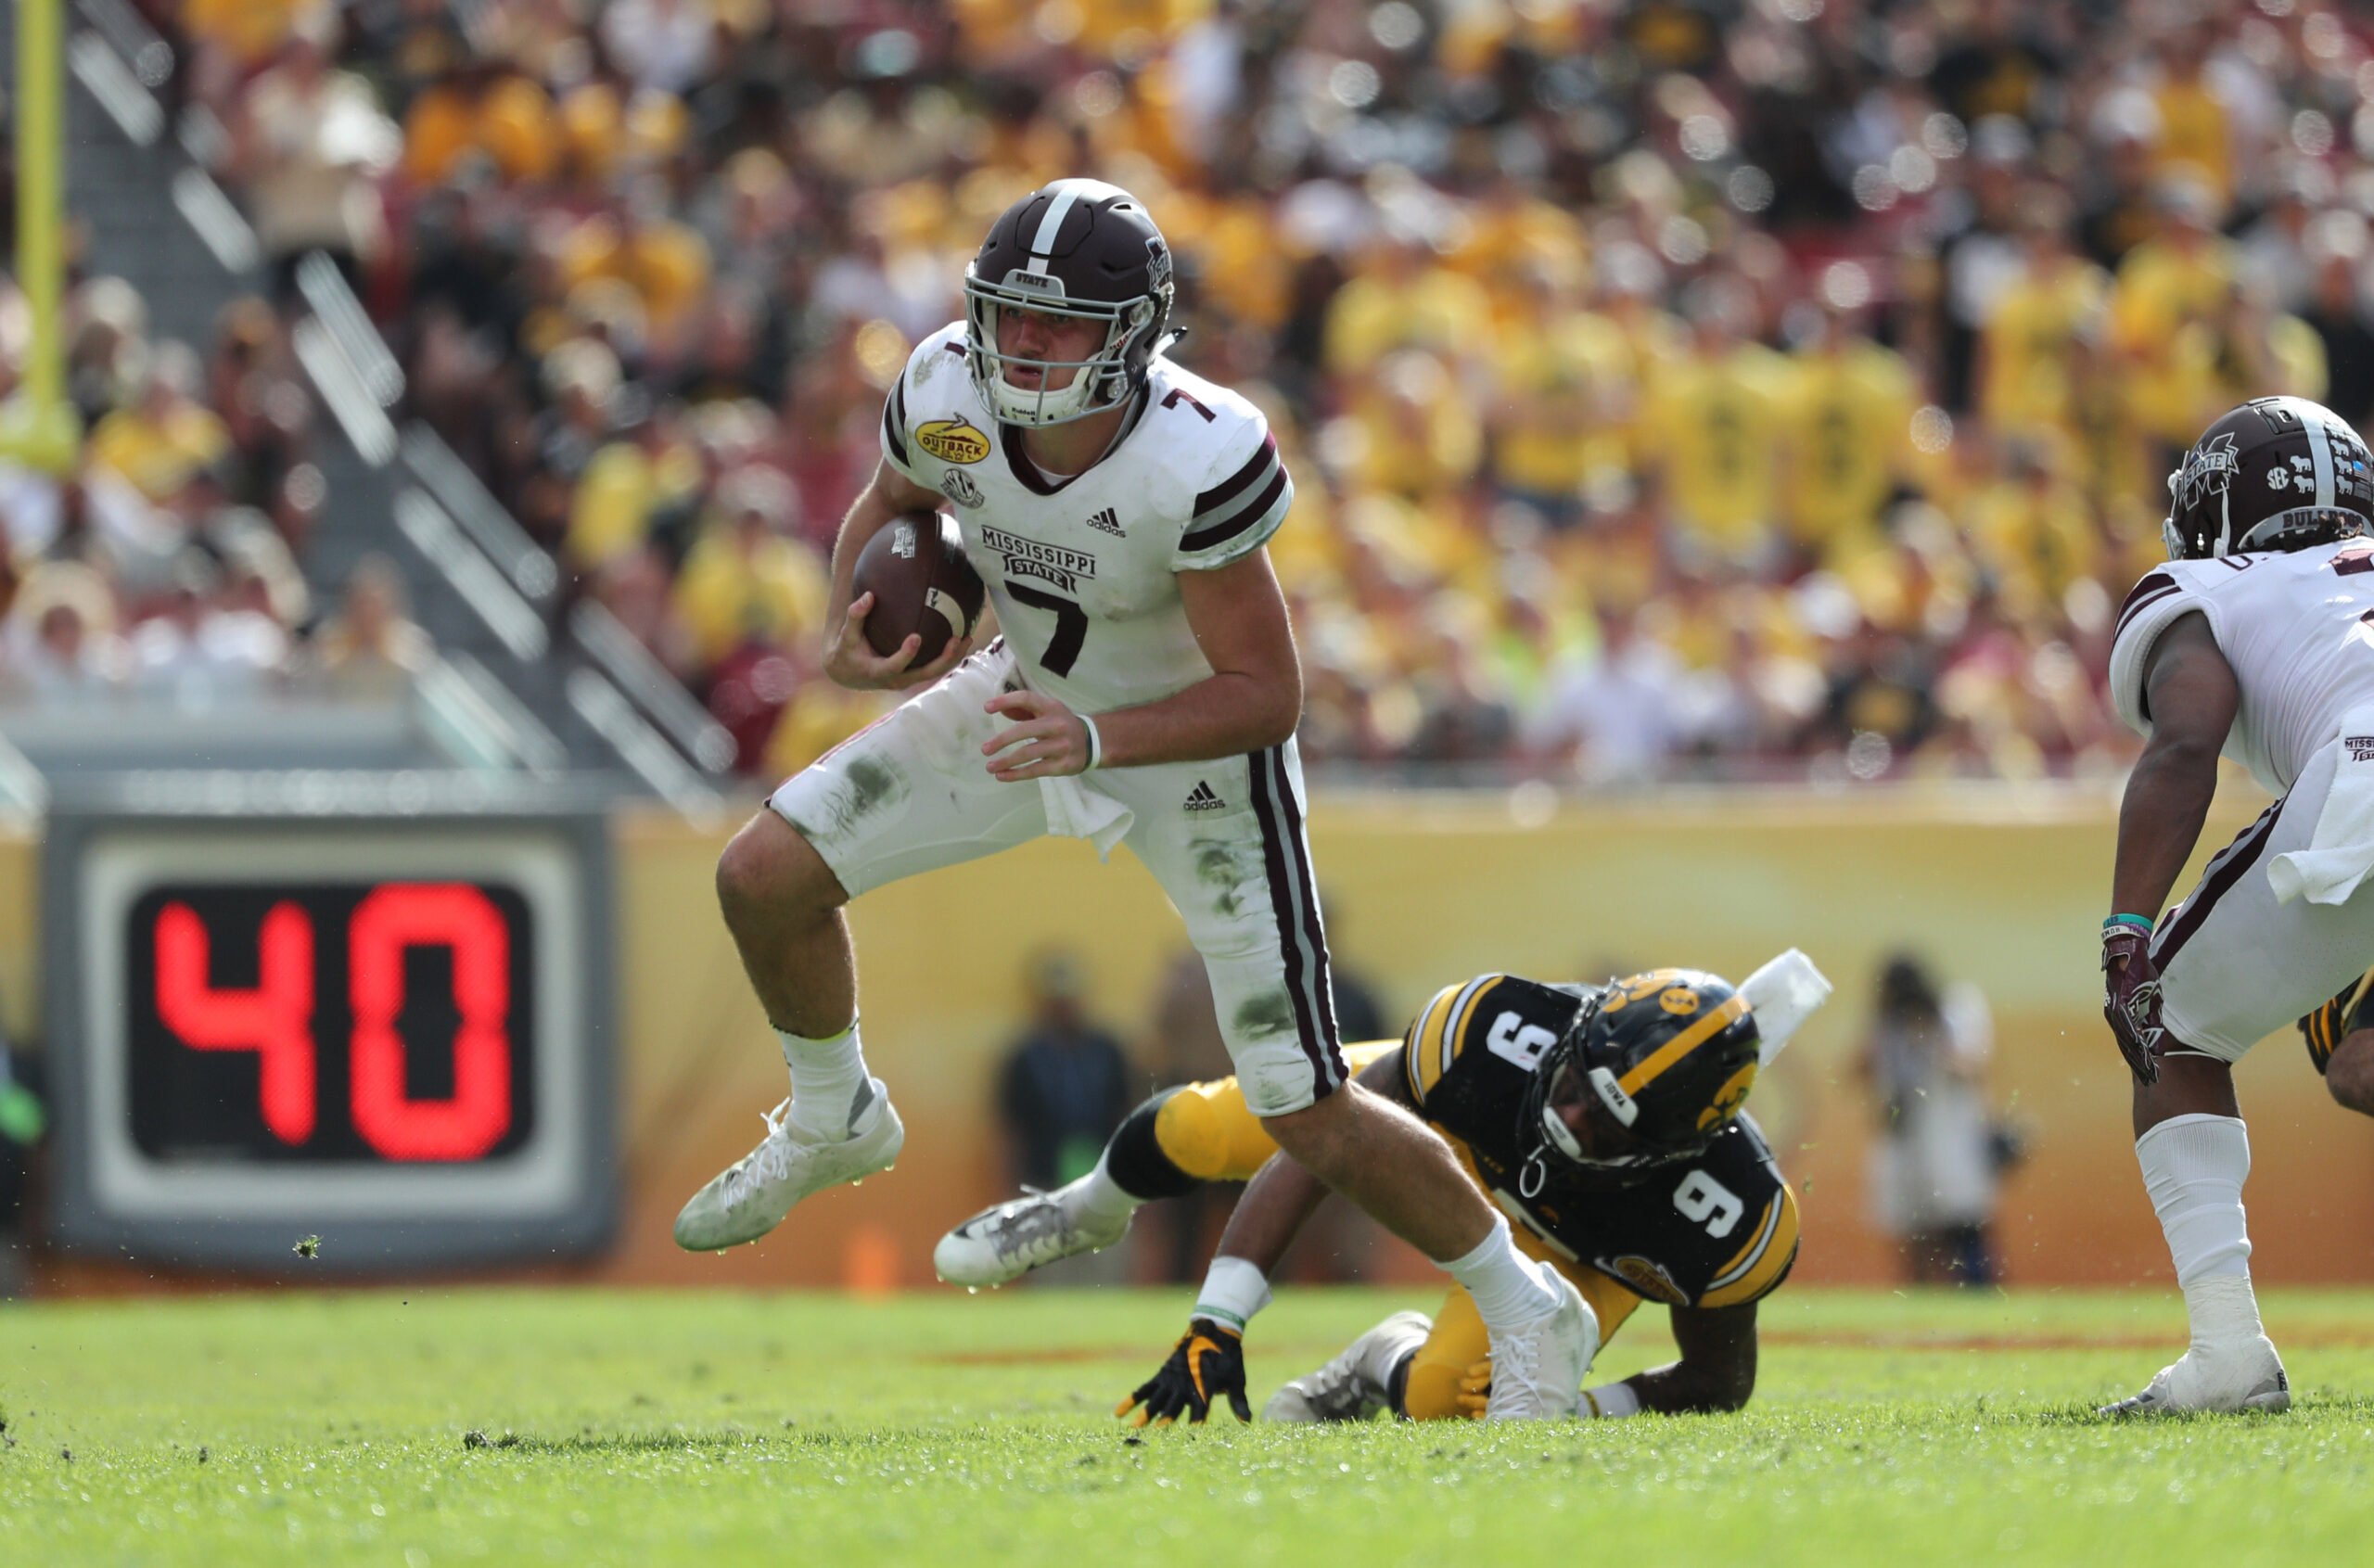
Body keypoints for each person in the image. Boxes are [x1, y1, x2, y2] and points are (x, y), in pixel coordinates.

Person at [672, 180, 1596, 1419]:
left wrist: (1098, 733)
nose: (1026, 346)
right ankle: (835, 1107)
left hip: (1193, 751)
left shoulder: (1195, 452)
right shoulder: (945, 387)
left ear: (1133, 335)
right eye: (1010, 317)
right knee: (763, 874)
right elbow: (894, 504)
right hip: (1027, 699)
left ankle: (1528, 1301)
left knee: (1302, 1101)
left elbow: (1267, 692)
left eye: (1061, 327)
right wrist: (852, 626)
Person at [938, 952, 1832, 1425]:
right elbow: (1324, 1145)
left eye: (1610, 1125)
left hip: (1563, 1253)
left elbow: (1720, 1380)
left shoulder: (1724, 1210)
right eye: (1573, 1085)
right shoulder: (1494, 1030)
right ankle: (1082, 1208)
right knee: (1208, 1127)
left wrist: (1591, 1409)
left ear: (1680, 1150)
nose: (1572, 1120)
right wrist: (1219, 1315)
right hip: (1443, 1138)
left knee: (1448, 1400)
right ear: (1576, 1030)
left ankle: (1377, 1356)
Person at [2098, 394, 2374, 1416]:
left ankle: (2226, 1353)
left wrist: (2127, 930)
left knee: (2166, 1023)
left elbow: (2184, 742)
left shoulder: (2213, 581)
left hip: (2363, 779)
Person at [1858, 953, 2005, 1286]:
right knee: (1916, 1235)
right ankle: (1924, 1311)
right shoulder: (1888, 1024)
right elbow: (1860, 1069)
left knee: (1966, 1230)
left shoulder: (1956, 1009)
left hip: (1954, 1139)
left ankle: (1981, 1305)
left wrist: (1930, 1035)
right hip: (1907, 1145)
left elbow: (1973, 1065)